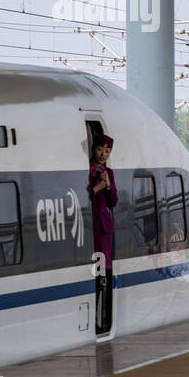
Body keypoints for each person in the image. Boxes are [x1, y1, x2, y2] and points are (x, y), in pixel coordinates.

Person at [88, 134, 117, 335]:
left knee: (104, 274)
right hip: (89, 227)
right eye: (100, 150)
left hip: (103, 230)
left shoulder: (109, 173)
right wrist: (97, 187)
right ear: (94, 149)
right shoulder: (86, 171)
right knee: (92, 273)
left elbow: (114, 200)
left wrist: (107, 185)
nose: (103, 155)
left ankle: (103, 320)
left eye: (107, 151)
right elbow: (88, 194)